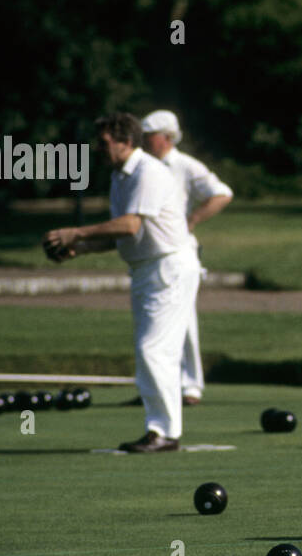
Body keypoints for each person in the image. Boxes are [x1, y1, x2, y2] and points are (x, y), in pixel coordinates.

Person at [43, 112, 198, 452]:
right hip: (145, 269)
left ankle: (164, 432)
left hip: (168, 267)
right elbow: (123, 235)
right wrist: (79, 248)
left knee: (153, 349)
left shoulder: (149, 172)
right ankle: (161, 430)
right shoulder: (120, 177)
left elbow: (129, 225)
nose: (98, 150)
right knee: (154, 350)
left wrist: (76, 231)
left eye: (104, 143)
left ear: (126, 142)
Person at [140, 110, 234, 407]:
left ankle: (190, 386)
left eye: (148, 136)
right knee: (151, 323)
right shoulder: (143, 166)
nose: (143, 141)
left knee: (184, 319)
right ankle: (156, 385)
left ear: (166, 137)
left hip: (178, 250)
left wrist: (191, 219)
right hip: (149, 251)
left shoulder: (184, 165)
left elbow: (221, 193)